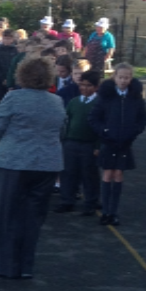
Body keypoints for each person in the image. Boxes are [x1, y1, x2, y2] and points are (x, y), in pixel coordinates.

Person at [0, 57, 66, 280]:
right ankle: (25, 266)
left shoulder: (13, 98)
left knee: (9, 214)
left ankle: (5, 265)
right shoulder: (56, 101)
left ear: (21, 75)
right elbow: (62, 132)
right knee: (34, 217)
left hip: (14, 163)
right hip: (47, 165)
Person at [88, 63, 146, 226]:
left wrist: (134, 131)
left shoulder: (135, 98)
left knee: (119, 175)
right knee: (107, 174)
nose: (123, 80)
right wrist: (104, 132)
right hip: (109, 141)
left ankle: (114, 212)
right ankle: (105, 211)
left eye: (127, 77)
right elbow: (94, 118)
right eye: (120, 77)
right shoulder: (105, 96)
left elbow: (142, 119)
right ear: (114, 77)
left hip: (125, 142)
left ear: (131, 78)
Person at [54, 70, 102, 216]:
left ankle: (90, 203)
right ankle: (67, 201)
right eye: (82, 85)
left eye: (88, 86)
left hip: (89, 144)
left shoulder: (99, 103)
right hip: (70, 142)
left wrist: (98, 146)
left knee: (89, 175)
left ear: (96, 87)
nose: (84, 88)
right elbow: (65, 121)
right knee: (68, 173)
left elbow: (102, 127)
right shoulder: (74, 102)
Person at [0, 30, 18, 109]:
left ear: (13, 39)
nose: (6, 40)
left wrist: (10, 79)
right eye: (5, 38)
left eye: (8, 38)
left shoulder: (16, 50)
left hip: (12, 82)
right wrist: (2, 78)